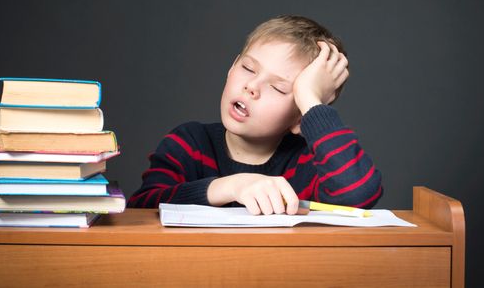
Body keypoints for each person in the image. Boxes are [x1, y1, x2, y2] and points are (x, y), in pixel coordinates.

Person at [128, 15, 382, 214]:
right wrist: (229, 187)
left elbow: (357, 194)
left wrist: (310, 100)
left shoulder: (309, 165)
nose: (252, 87)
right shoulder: (188, 143)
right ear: (231, 68)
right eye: (248, 68)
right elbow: (141, 208)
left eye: (278, 87)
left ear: (299, 117)